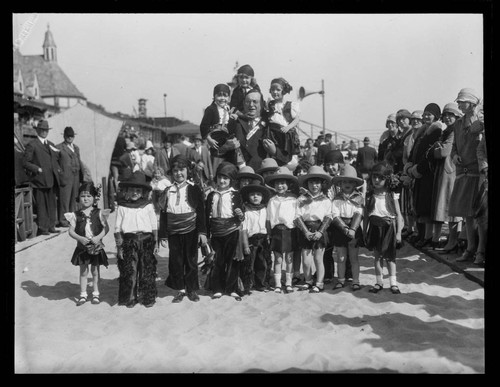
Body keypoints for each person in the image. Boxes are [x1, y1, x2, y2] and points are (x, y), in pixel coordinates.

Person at [162, 155, 208, 303]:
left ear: (188, 170)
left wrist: (202, 232)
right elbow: (163, 214)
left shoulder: (194, 188)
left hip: (191, 229)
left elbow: (201, 211)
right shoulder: (168, 190)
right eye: (175, 170)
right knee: (176, 260)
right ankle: (180, 289)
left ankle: (191, 289)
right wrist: (162, 235)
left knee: (191, 260)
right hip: (173, 230)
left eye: (181, 170)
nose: (178, 173)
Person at [114, 171, 158, 308]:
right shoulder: (122, 207)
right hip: (129, 241)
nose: (135, 193)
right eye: (132, 189)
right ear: (127, 190)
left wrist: (155, 243)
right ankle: (131, 297)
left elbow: (154, 225)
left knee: (146, 270)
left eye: (138, 190)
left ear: (143, 192)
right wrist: (119, 246)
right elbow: (117, 228)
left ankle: (147, 297)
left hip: (146, 240)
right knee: (130, 271)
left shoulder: (148, 206)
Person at [448, 88, 482, 263]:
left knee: (479, 214)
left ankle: (479, 250)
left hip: (477, 172)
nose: (459, 104)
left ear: (471, 103)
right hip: (463, 172)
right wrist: (454, 156)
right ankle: (469, 248)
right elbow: (454, 146)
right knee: (467, 214)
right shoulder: (458, 123)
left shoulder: (479, 121)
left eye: (462, 102)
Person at [405, 103, 444, 249]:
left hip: (428, 172)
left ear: (435, 116)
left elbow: (430, 154)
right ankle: (423, 235)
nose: (426, 116)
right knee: (420, 205)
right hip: (419, 172)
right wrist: (409, 165)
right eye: (425, 114)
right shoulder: (422, 131)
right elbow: (414, 151)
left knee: (427, 206)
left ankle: (429, 237)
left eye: (429, 114)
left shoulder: (436, 130)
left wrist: (418, 169)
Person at [65, 182, 110, 306]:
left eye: (89, 196)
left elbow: (106, 228)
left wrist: (98, 237)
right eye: (83, 196)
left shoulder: (100, 213)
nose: (86, 199)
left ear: (95, 198)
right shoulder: (75, 215)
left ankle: (96, 294)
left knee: (95, 271)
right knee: (83, 271)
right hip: (82, 247)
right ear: (78, 198)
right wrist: (80, 238)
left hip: (96, 246)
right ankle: (83, 294)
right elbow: (71, 231)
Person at [205, 162, 245, 301]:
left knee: (233, 260)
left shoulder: (236, 195)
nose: (222, 181)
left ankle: (232, 288)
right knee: (218, 261)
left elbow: (242, 215)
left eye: (225, 179)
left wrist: (240, 214)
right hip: (216, 232)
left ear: (231, 180)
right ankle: (217, 288)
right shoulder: (211, 195)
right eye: (220, 178)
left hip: (232, 231)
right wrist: (206, 233)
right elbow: (206, 215)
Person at [427, 103, 463, 255]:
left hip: (450, 172)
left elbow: (443, 152)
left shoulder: (454, 132)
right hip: (446, 172)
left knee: (451, 208)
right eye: (445, 115)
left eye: (451, 115)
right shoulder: (447, 131)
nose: (447, 117)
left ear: (457, 116)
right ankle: (452, 240)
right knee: (448, 207)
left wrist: (435, 148)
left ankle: (453, 241)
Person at [364, 162, 404, 294]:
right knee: (377, 256)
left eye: (380, 178)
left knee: (390, 257)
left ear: (387, 179)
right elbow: (366, 216)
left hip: (389, 228)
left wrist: (398, 233)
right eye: (374, 177)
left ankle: (393, 283)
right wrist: (365, 231)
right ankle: (379, 282)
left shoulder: (392, 195)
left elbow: (398, 215)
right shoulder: (369, 195)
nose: (376, 180)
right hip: (375, 227)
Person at [228, 89, 291, 170]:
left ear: (263, 104)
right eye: (248, 101)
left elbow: (287, 157)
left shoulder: (271, 124)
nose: (251, 105)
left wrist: (275, 151)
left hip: (262, 175)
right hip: (240, 176)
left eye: (255, 101)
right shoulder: (235, 122)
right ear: (243, 104)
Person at [294, 166, 333, 293]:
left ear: (322, 184)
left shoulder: (326, 200)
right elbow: (297, 216)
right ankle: (308, 280)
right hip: (305, 230)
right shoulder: (301, 199)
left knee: (318, 259)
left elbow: (328, 216)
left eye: (317, 183)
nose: (314, 185)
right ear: (307, 184)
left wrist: (320, 232)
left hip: (319, 229)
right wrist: (305, 232)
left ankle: (319, 283)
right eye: (311, 182)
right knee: (305, 260)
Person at [22, 120, 62, 236]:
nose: (44, 132)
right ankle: (43, 228)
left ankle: (51, 226)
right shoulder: (32, 145)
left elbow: (56, 159)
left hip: (51, 179)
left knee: (51, 204)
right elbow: (25, 162)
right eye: (42, 130)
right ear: (38, 131)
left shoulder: (51, 144)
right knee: (41, 205)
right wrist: (36, 169)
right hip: (39, 180)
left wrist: (58, 169)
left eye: (46, 130)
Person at [265, 167, 299, 293]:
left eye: (283, 183)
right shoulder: (272, 201)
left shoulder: (293, 199)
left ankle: (289, 282)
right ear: (274, 185)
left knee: (289, 258)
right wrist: (269, 234)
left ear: (288, 184)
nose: (280, 186)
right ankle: (278, 284)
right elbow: (269, 219)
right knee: (278, 258)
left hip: (290, 231)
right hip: (277, 231)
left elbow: (297, 216)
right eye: (278, 183)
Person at [330, 164, 364, 291]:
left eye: (350, 181)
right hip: (340, 229)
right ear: (340, 184)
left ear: (355, 184)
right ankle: (340, 280)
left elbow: (359, 213)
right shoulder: (337, 199)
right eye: (344, 181)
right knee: (341, 257)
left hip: (354, 228)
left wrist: (353, 229)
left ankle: (356, 280)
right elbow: (334, 214)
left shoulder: (359, 198)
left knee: (354, 257)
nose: (347, 184)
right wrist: (344, 229)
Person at [240, 181, 272, 294]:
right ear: (248, 196)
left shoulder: (265, 209)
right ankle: (247, 285)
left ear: (262, 197)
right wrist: (245, 245)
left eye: (258, 194)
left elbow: (268, 224)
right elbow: (243, 229)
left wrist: (269, 236)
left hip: (263, 239)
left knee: (262, 263)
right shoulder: (246, 210)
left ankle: (262, 284)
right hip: (251, 240)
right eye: (252, 194)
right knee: (249, 264)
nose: (255, 197)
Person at [265, 77, 301, 168]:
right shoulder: (269, 104)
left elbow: (296, 119)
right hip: (273, 134)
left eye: (278, 90)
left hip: (285, 134)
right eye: (272, 90)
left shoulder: (290, 105)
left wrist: (288, 127)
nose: (275, 92)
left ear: (283, 91)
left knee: (288, 158)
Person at [400, 111, 424, 240]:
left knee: (416, 204)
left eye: (418, 119)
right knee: (408, 203)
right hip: (409, 170)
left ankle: (417, 231)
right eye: (413, 119)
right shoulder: (409, 138)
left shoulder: (424, 135)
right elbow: (405, 156)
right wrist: (408, 168)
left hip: (419, 171)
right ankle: (410, 228)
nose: (415, 121)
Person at [200, 83, 233, 173]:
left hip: (226, 137)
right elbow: (204, 125)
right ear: (214, 96)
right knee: (216, 161)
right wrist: (209, 139)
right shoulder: (211, 109)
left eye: (225, 96)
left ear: (229, 97)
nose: (222, 98)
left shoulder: (228, 109)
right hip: (215, 138)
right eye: (219, 95)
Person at [56, 126, 84, 227]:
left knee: (74, 199)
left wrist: (81, 177)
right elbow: (55, 163)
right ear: (64, 136)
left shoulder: (76, 148)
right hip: (65, 177)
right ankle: (63, 220)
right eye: (68, 136)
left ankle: (72, 219)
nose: (70, 138)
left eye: (71, 136)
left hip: (75, 177)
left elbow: (79, 163)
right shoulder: (59, 148)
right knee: (65, 199)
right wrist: (60, 173)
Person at [473, 101, 487, 266]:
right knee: (483, 216)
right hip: (486, 174)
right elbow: (480, 149)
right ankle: (480, 251)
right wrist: (485, 167)